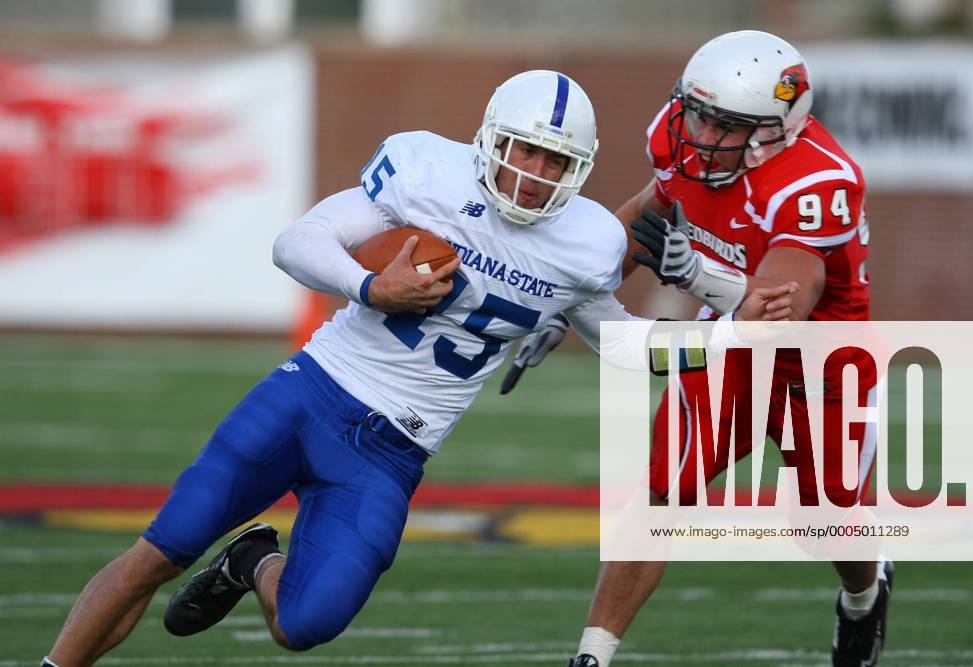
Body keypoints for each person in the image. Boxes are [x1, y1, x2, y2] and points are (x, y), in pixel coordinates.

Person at [40, 69, 672, 667]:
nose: (534, 173)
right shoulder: (429, 172)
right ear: (491, 139)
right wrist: (371, 287)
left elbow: (621, 342)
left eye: (555, 160)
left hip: (391, 453)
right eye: (523, 149)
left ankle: (252, 560)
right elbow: (297, 242)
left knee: (305, 624)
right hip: (310, 396)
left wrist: (729, 337)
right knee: (160, 551)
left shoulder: (586, 244)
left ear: (578, 170)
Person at [506, 31, 889, 667]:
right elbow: (653, 208)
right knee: (664, 489)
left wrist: (697, 276)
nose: (703, 134)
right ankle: (592, 656)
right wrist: (570, 297)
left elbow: (784, 303)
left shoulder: (818, 181)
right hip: (731, 345)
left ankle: (864, 595)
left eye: (726, 124)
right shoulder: (678, 134)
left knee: (823, 527)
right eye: (700, 113)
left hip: (820, 362)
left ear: (777, 129)